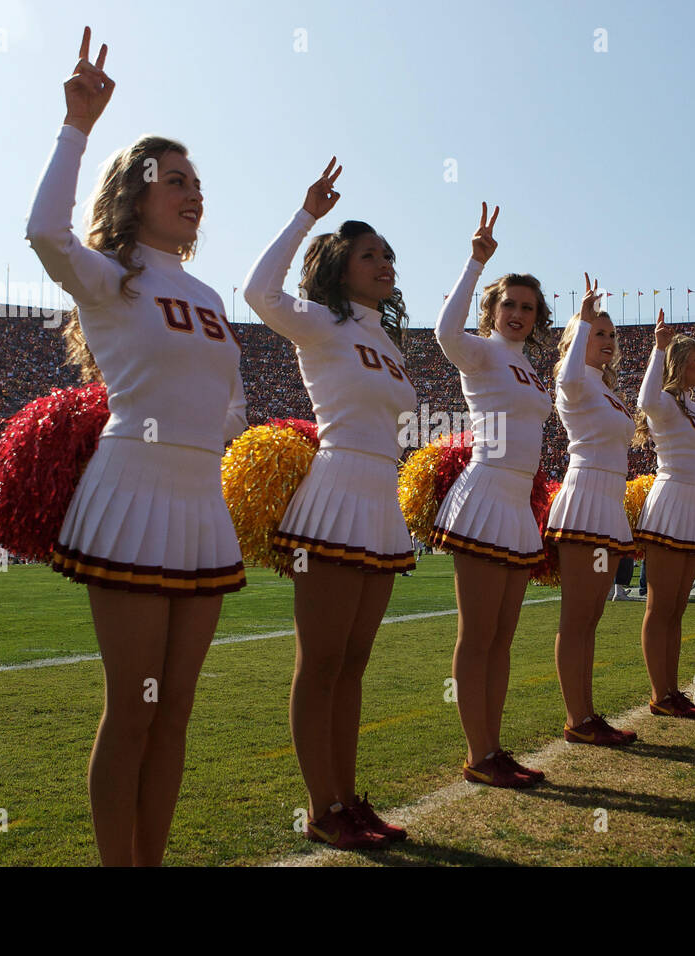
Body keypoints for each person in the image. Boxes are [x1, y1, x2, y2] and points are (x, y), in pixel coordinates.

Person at [28, 27, 248, 866]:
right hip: (131, 495)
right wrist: (77, 124)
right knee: (134, 706)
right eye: (176, 180)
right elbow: (45, 232)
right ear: (136, 191)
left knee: (178, 709)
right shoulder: (109, 273)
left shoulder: (206, 293)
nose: (193, 193)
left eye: (198, 182)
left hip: (200, 501)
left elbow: (228, 401)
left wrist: (236, 441)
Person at [243, 159, 416, 849]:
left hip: (379, 499)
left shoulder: (387, 338)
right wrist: (305, 215)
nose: (384, 263)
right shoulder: (318, 321)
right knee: (320, 663)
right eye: (370, 254)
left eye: (389, 255)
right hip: (335, 492)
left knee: (354, 664)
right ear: (340, 265)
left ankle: (349, 797)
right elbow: (258, 290)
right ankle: (322, 807)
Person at [432, 204, 554, 788]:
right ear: (494, 308)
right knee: (476, 635)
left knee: (502, 638)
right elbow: (443, 333)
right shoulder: (480, 351)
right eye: (510, 304)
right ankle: (479, 753)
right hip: (483, 495)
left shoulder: (531, 369)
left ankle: (494, 747)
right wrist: (476, 261)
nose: (519, 314)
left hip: (516, 503)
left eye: (528, 308)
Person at [545, 275, 638, 745]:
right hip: (583, 499)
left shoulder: (608, 388)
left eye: (610, 334)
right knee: (576, 617)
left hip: (609, 503)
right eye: (597, 332)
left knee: (593, 618)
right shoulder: (575, 380)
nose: (606, 340)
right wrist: (582, 318)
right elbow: (565, 375)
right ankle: (578, 718)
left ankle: (587, 713)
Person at [633, 314, 695, 718]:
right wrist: (658, 346)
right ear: (680, 362)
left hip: (693, 505)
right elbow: (645, 401)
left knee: (678, 608)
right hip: (668, 503)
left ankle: (672, 689)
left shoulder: (694, 405)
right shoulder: (663, 402)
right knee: (660, 606)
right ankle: (659, 693)